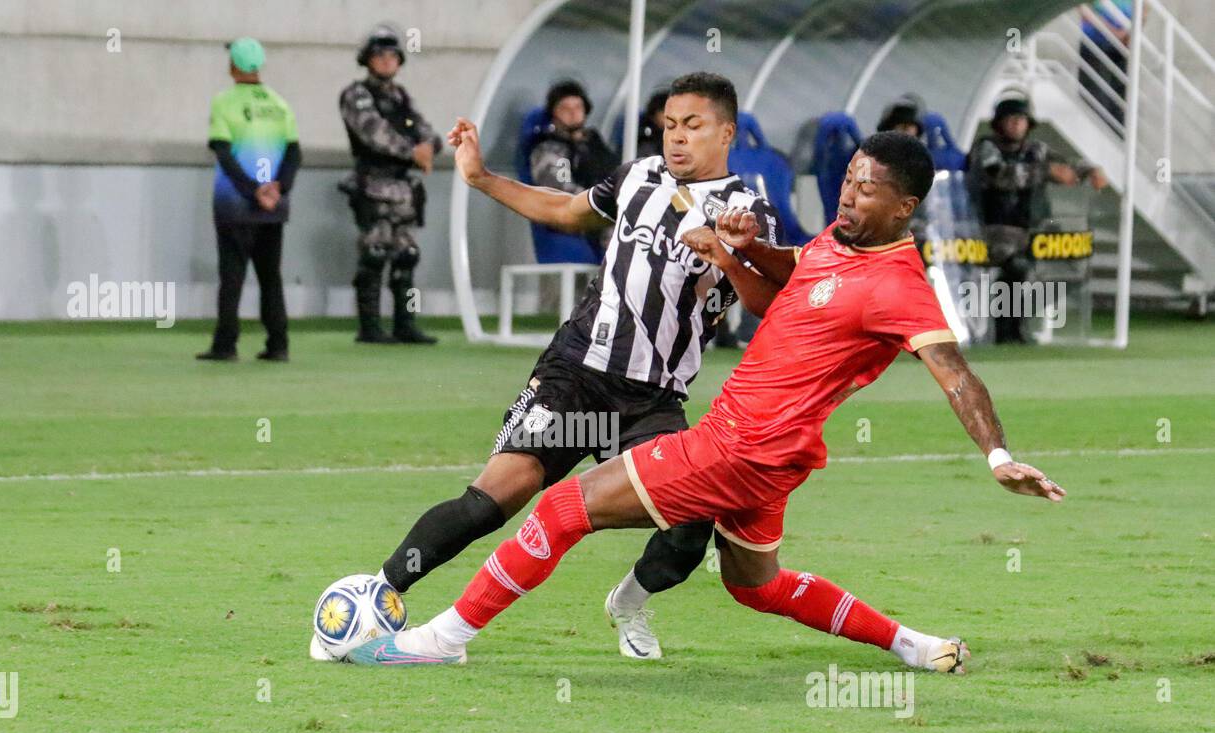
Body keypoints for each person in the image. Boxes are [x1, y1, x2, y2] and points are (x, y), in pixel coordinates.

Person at [345, 132, 1067, 669]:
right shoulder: (837, 243)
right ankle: (913, 646)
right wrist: (738, 251)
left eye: (868, 188)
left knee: (565, 508)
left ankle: (442, 640)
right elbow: (793, 276)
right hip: (773, 461)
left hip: (739, 446)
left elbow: (956, 373)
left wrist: (998, 454)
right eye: (848, 179)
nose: (849, 194)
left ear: (904, 206)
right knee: (755, 585)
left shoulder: (900, 285)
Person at [316, 73, 784, 663]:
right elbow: (566, 211)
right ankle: (379, 591)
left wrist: (731, 253)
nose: (676, 139)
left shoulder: (750, 213)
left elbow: (769, 301)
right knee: (497, 494)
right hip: (576, 372)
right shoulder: (636, 175)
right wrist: (481, 177)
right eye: (669, 125)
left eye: (692, 126)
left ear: (727, 132)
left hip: (651, 399)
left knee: (691, 524)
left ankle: (630, 601)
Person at [966, 98, 1107, 343]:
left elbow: (1064, 164)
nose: (1016, 125)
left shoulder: (1035, 150)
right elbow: (997, 175)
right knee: (1015, 268)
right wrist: (1043, 172)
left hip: (1031, 230)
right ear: (999, 124)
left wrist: (1089, 170)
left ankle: (1022, 327)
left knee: (1066, 263)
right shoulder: (986, 147)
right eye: (1010, 120)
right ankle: (1005, 331)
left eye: (1021, 120)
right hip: (990, 231)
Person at [197, 37, 301, 362]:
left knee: (232, 276)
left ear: (232, 67)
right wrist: (277, 189)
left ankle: (225, 345)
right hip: (274, 208)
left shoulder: (223, 103)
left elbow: (224, 153)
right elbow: (294, 153)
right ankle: (278, 343)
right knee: (271, 276)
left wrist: (252, 190)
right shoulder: (279, 103)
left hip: (235, 205)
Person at [339, 26, 441, 344]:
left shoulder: (401, 98)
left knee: (407, 255)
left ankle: (404, 323)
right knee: (374, 252)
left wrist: (428, 148)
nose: (386, 61)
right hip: (374, 185)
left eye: (392, 55)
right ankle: (369, 326)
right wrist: (414, 151)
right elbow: (373, 132)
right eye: (379, 55)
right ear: (367, 59)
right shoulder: (356, 95)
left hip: (404, 189)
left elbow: (429, 133)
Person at [528, 79, 620, 257]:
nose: (573, 113)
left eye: (578, 107)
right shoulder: (550, 148)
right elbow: (559, 191)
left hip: (606, 209)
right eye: (565, 108)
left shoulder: (595, 143)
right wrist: (601, 200)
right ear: (553, 113)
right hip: (583, 217)